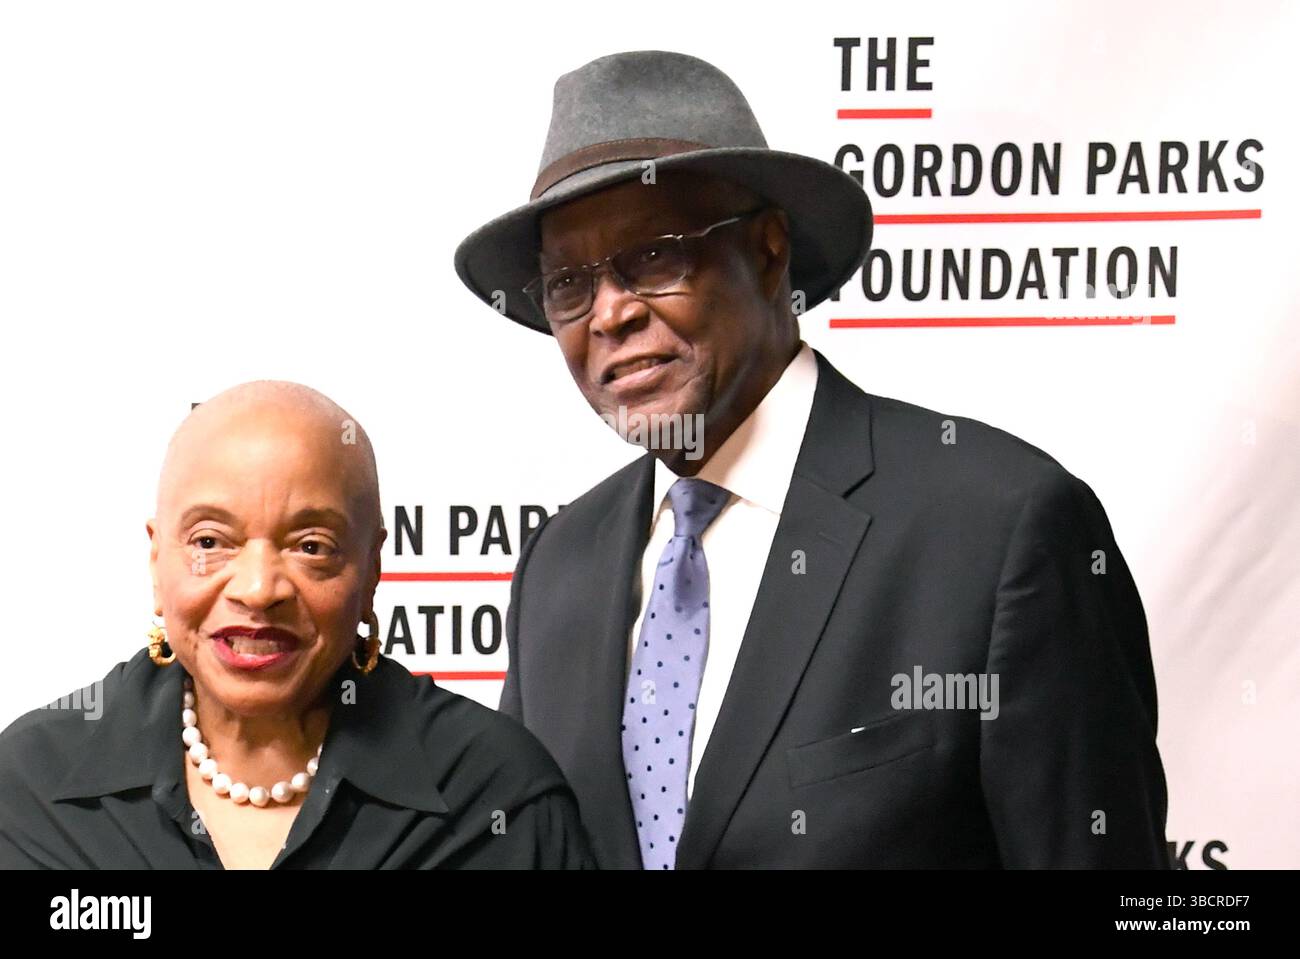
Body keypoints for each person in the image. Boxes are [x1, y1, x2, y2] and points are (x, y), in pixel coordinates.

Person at [452, 50, 1170, 868]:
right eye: (569, 284)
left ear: (768, 249)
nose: (611, 312)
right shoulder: (558, 567)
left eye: (654, 256)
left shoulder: (1002, 529)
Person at [0, 381, 593, 869]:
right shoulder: (29, 790)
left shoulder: (496, 798)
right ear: (158, 561)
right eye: (210, 541)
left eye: (312, 546)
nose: (259, 589)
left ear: (371, 569)